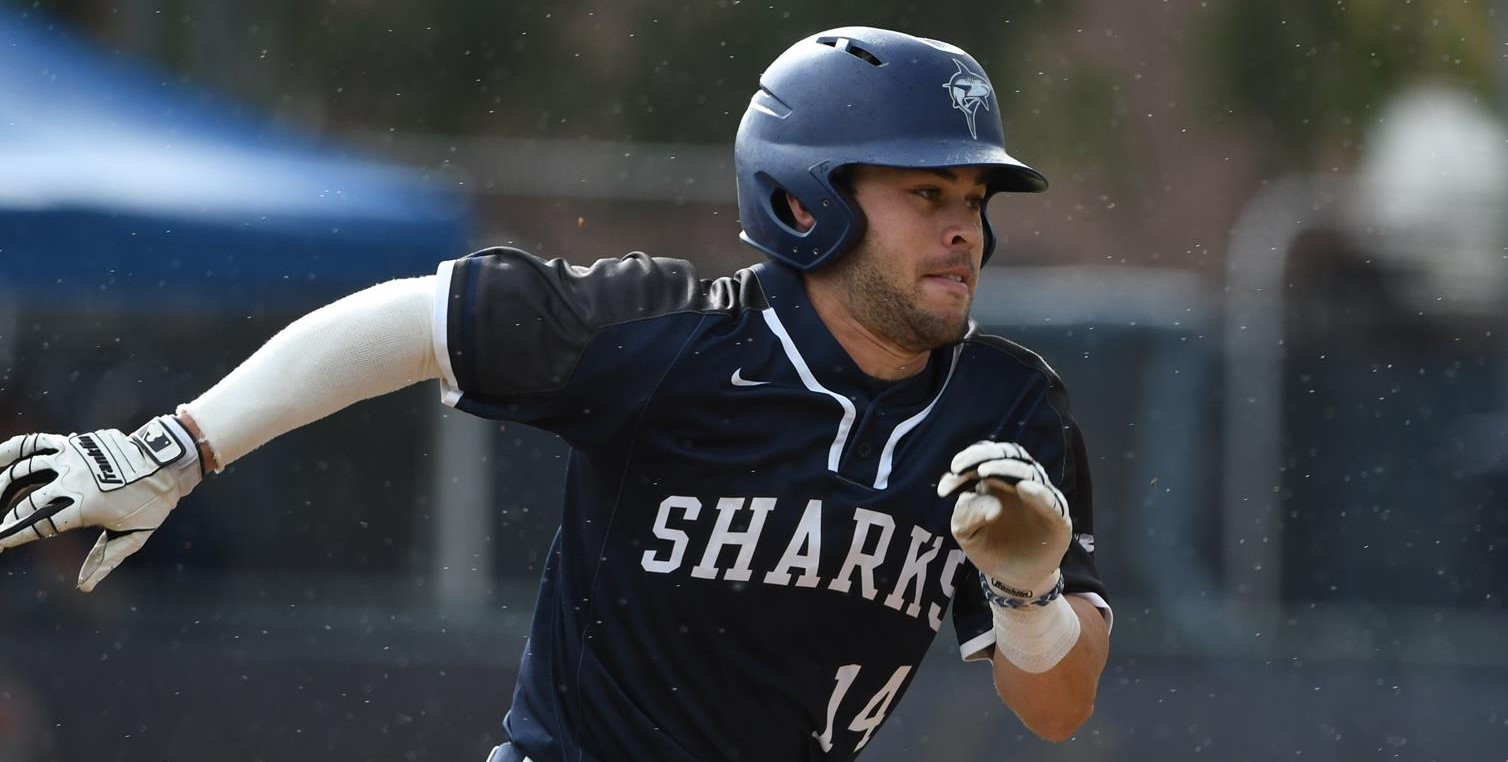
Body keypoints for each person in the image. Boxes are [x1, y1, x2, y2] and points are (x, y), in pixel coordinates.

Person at [0, 26, 1110, 761]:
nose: (965, 225)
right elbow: (410, 321)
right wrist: (182, 446)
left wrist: (1025, 594)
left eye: (973, 194)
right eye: (926, 191)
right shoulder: (670, 335)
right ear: (804, 199)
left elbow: (1055, 707)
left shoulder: (1009, 414)